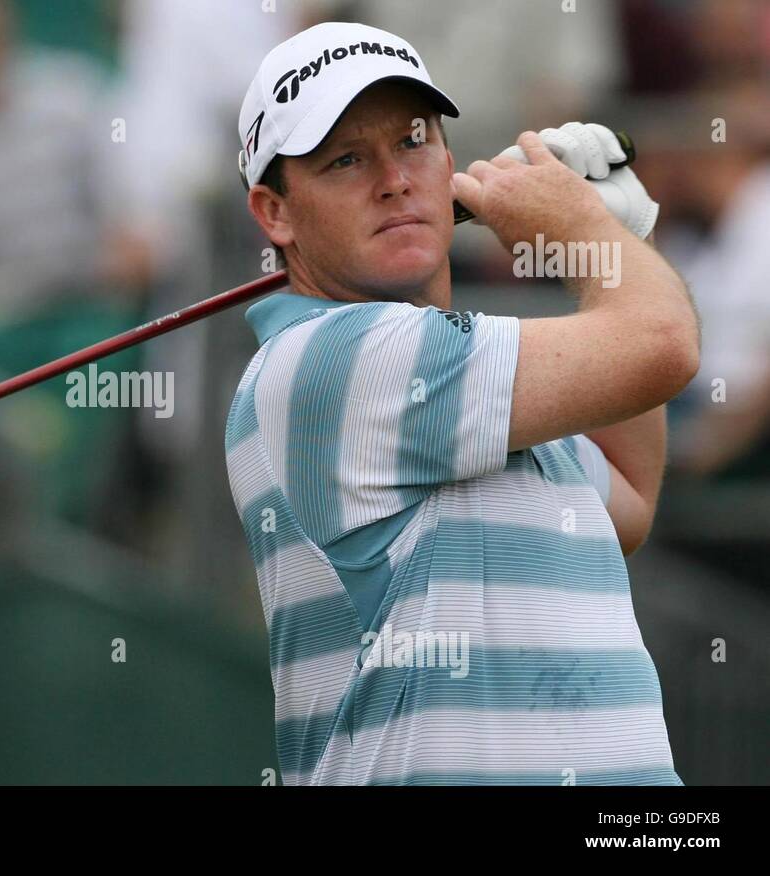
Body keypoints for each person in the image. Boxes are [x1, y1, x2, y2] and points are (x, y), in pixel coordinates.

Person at [225, 22, 699, 785]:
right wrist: (590, 237)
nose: (393, 178)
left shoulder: (472, 379)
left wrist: (611, 236)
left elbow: (628, 494)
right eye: (345, 159)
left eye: (412, 142)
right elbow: (662, 345)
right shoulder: (327, 362)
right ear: (275, 213)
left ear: (449, 162)